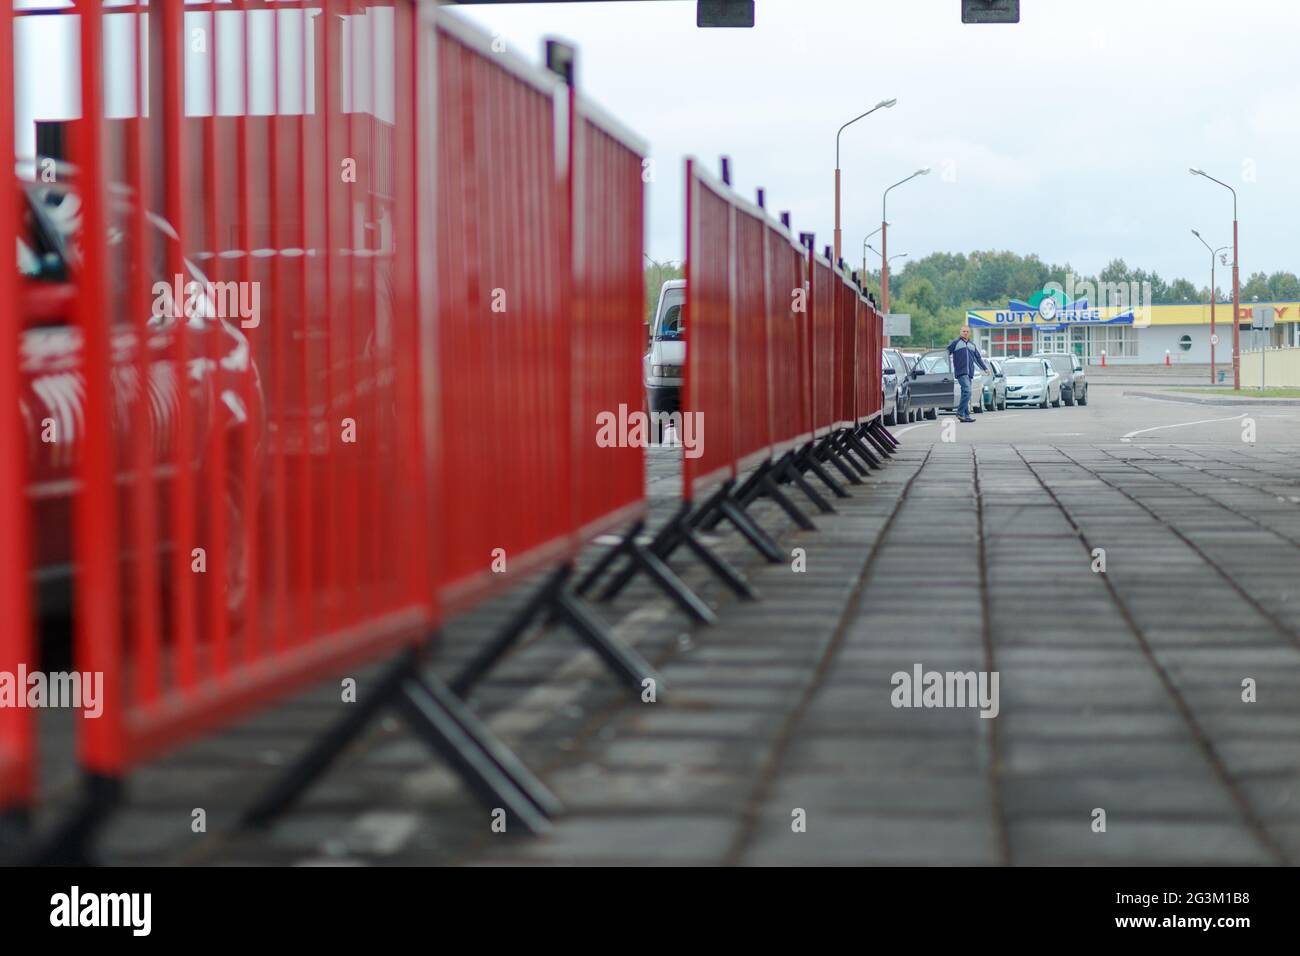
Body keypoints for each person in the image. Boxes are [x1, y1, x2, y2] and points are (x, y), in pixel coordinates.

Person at [947, 326, 987, 423]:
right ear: (960, 332)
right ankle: (960, 412)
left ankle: (966, 416)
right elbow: (946, 353)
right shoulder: (955, 343)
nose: (965, 333)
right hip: (961, 372)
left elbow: (978, 358)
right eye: (963, 331)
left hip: (970, 373)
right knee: (968, 391)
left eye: (967, 331)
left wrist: (985, 368)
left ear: (969, 333)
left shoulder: (972, 345)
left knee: (965, 393)